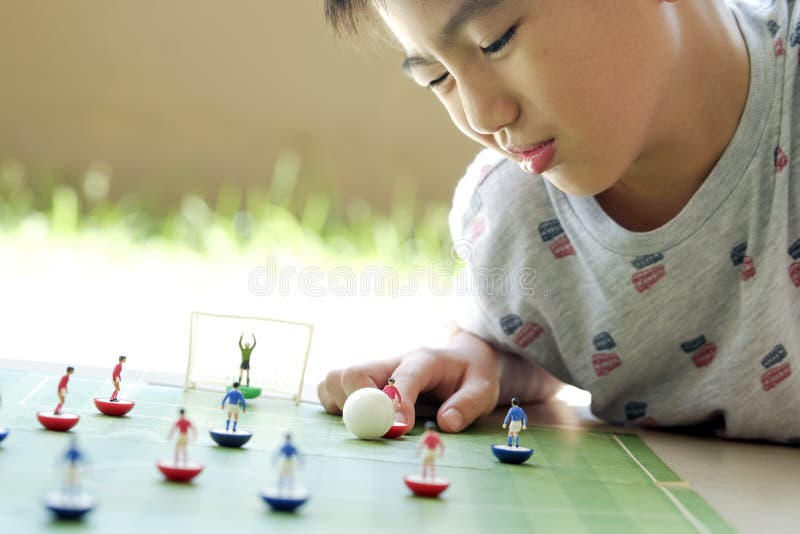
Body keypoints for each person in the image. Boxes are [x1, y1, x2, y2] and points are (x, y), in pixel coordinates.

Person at [318, 1, 800, 444]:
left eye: (497, 40)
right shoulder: (513, 219)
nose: (482, 116)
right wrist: (484, 360)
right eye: (438, 77)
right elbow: (547, 343)